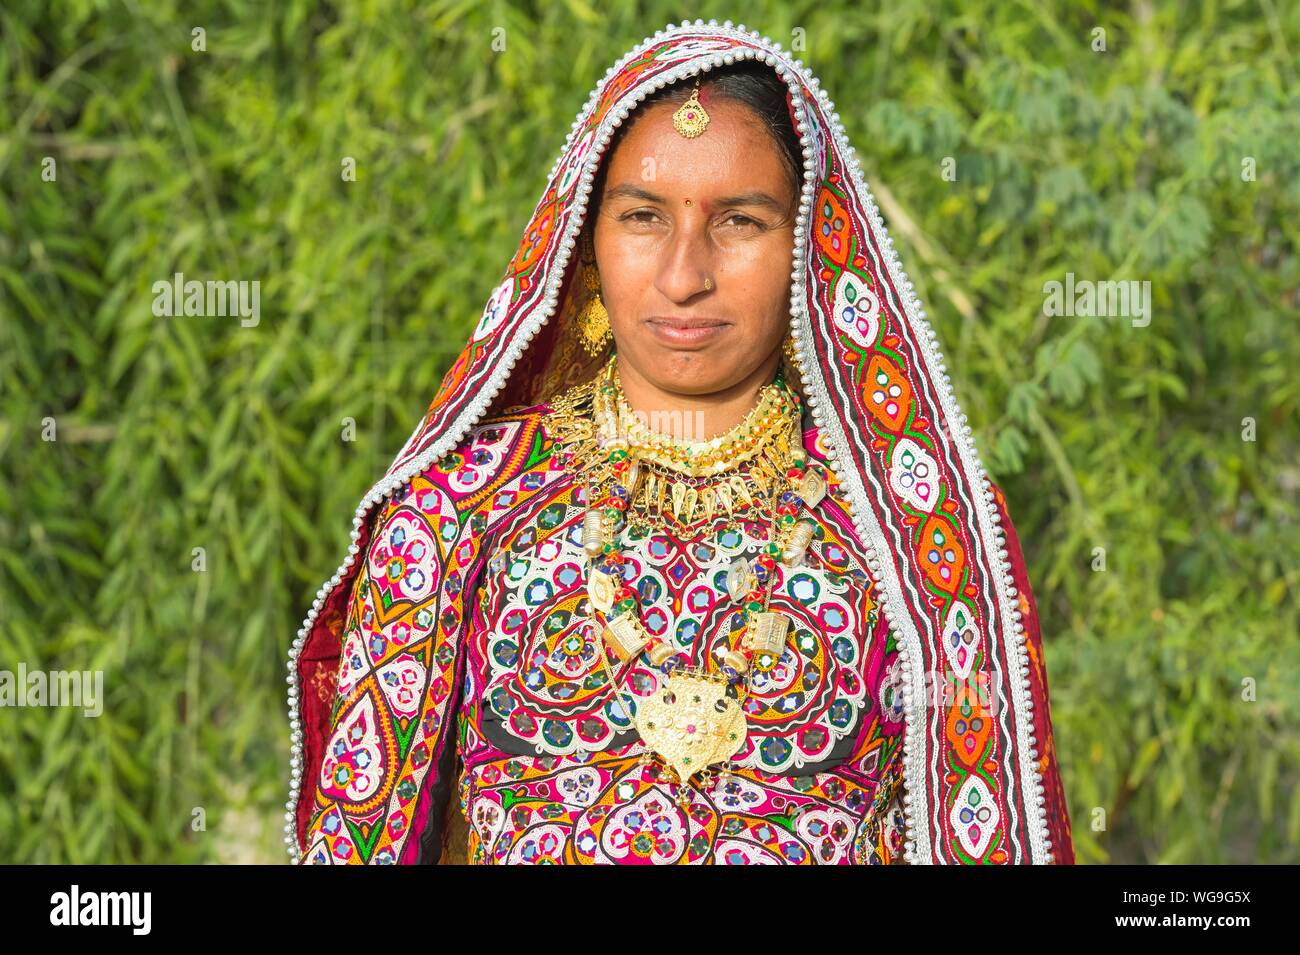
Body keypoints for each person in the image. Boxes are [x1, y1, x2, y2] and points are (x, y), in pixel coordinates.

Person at [286, 20, 1075, 865]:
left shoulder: (920, 536)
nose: (682, 275)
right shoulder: (452, 511)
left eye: (738, 221)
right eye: (642, 216)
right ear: (585, 245)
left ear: (808, 246)